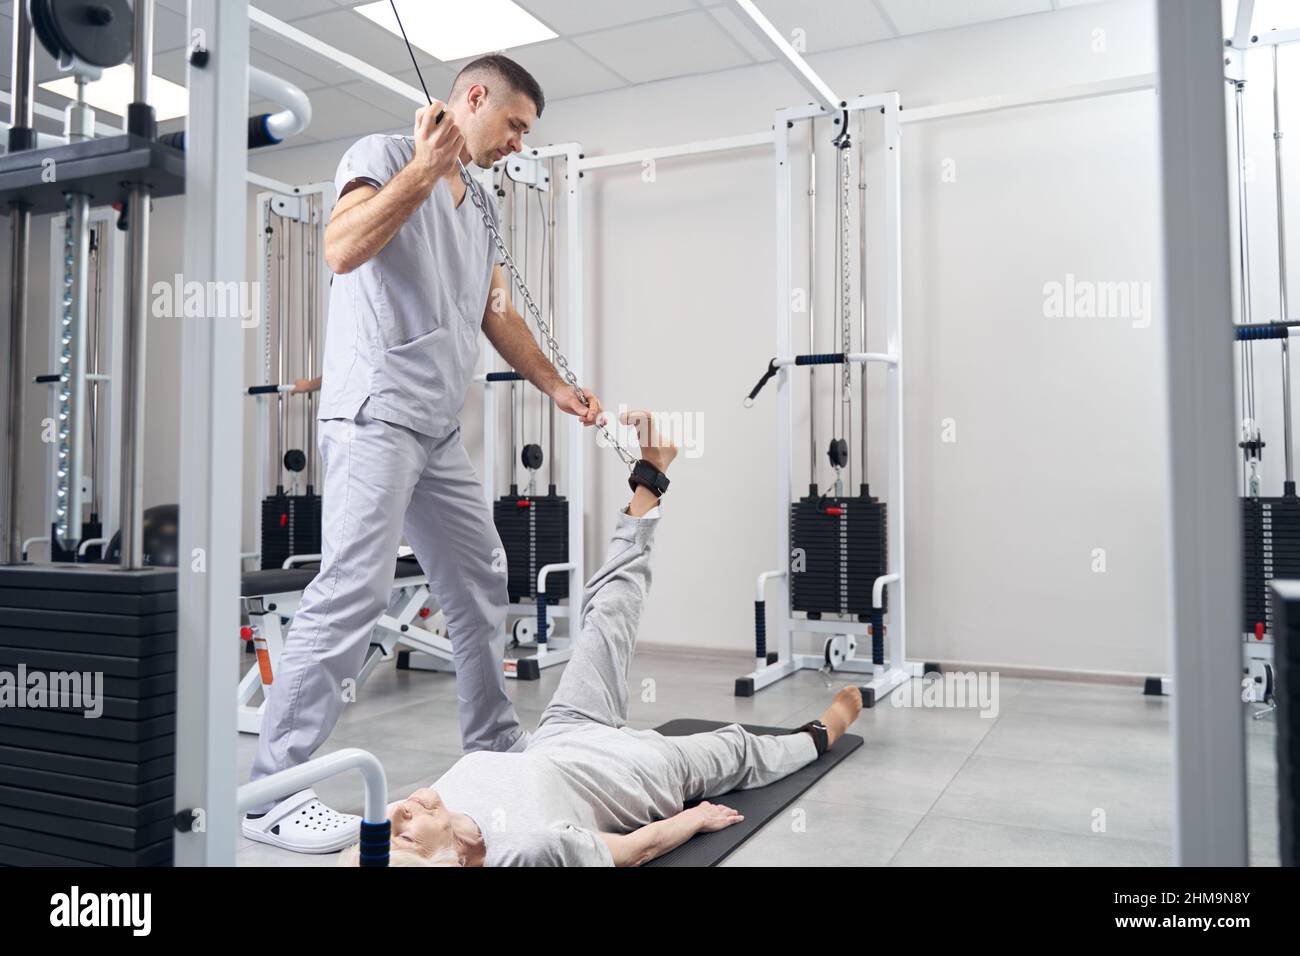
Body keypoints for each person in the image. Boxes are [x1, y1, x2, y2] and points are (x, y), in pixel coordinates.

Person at [244, 53, 604, 854]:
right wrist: (422, 169)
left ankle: (495, 751)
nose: (518, 143)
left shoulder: (480, 203)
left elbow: (494, 308)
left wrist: (556, 385)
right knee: (351, 589)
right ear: (473, 98)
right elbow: (340, 249)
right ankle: (272, 789)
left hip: (437, 431)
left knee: (481, 581)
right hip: (375, 412)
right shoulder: (380, 155)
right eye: (514, 124)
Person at [340, 411, 866, 867]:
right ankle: (816, 736)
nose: (402, 809)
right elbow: (628, 851)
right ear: (452, 859)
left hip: (562, 730)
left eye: (390, 819)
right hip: (632, 776)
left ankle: (650, 479)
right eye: (406, 832)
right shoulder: (526, 850)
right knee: (734, 747)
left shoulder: (442, 805)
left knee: (606, 609)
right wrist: (693, 820)